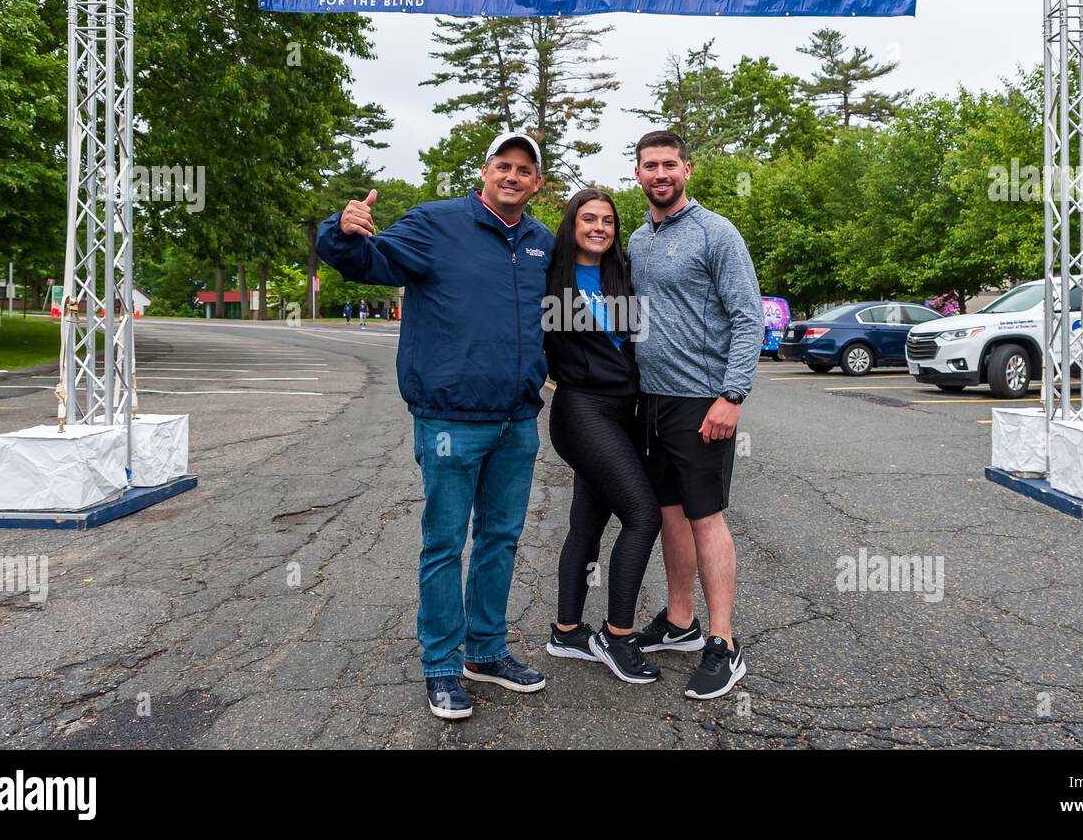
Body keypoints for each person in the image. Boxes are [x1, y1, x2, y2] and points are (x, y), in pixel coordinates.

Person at [315, 132, 554, 721]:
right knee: (445, 544)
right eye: (504, 166)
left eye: (525, 170)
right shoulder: (435, 223)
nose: (513, 176)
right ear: (485, 171)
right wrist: (340, 231)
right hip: (450, 417)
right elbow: (365, 262)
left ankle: (487, 652)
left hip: (517, 420)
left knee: (500, 540)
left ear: (538, 184)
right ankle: (443, 667)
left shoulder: (542, 243)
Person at [628, 130, 764, 700]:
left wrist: (732, 396)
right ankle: (680, 621)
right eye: (649, 165)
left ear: (688, 169)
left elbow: (749, 317)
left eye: (669, 164)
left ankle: (723, 643)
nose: (660, 174)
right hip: (651, 402)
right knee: (670, 514)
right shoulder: (636, 239)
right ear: (637, 174)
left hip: (702, 402)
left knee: (706, 516)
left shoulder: (716, 233)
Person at [543, 189, 663, 684]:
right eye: (588, 218)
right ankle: (618, 637)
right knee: (643, 515)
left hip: (626, 412)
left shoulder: (623, 276)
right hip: (581, 410)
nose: (599, 227)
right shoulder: (552, 277)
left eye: (608, 221)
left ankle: (567, 632)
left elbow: (636, 345)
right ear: (572, 224)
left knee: (587, 524)